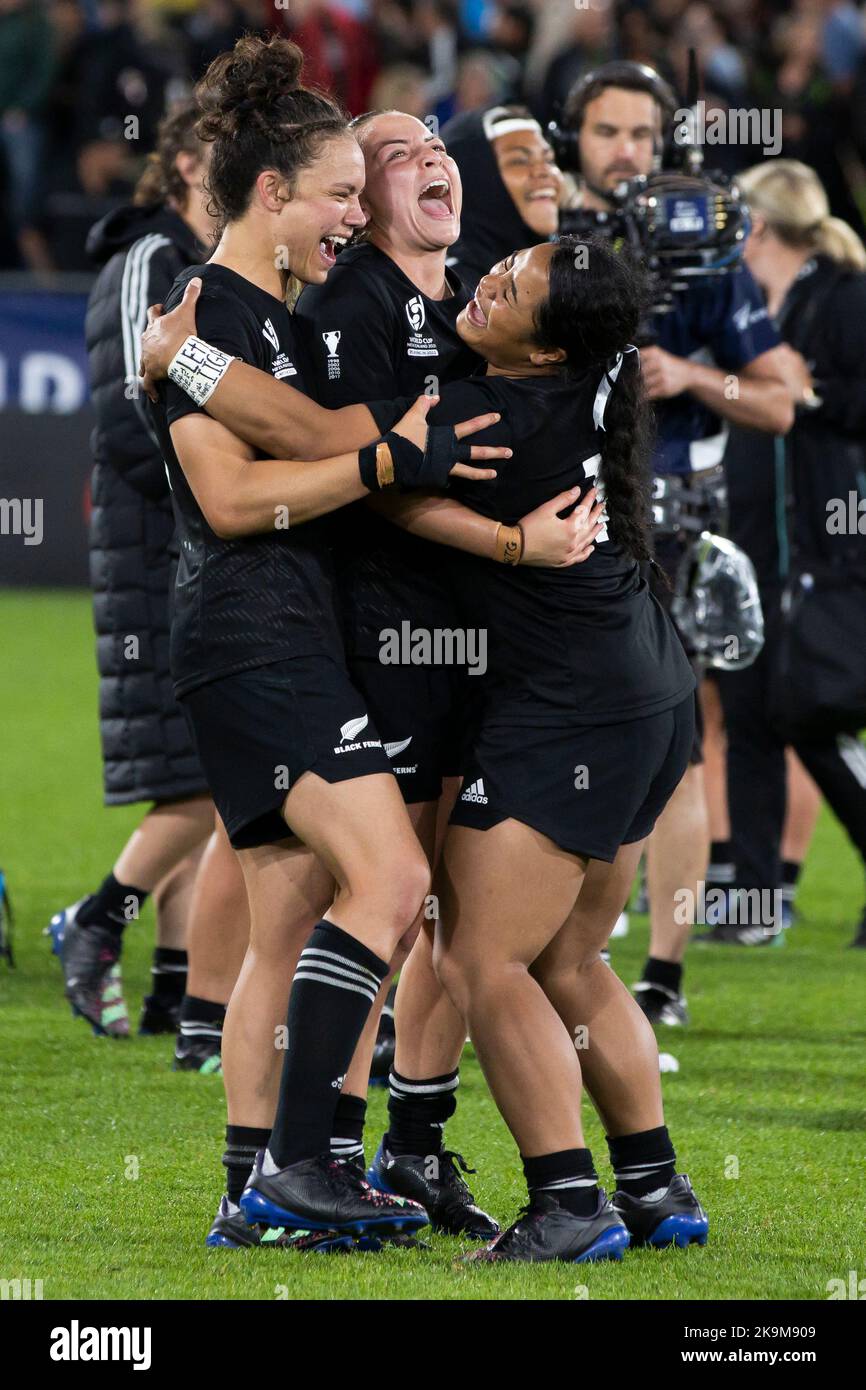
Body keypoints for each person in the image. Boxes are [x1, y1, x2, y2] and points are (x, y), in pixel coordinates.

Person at [140, 103, 604, 1242]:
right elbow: (237, 497)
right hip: (262, 635)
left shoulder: (259, 317)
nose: (351, 214)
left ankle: (264, 1190)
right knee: (390, 889)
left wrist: (196, 363)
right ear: (273, 195)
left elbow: (304, 430)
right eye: (346, 190)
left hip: (290, 631)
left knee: (297, 919)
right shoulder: (224, 304)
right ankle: (305, 1164)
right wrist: (402, 462)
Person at [415, 235, 708, 1262]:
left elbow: (359, 475)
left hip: (575, 707)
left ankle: (566, 1204)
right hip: (648, 691)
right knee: (571, 958)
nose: (483, 282)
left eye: (507, 290)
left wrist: (186, 363)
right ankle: (654, 1188)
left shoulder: (484, 415)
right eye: (500, 265)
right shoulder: (591, 372)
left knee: (480, 959)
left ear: (544, 353)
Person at [558, 61, 794, 1028]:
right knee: (553, 729)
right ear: (574, 137)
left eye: (644, 136)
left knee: (679, 747)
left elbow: (779, 401)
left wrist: (695, 375)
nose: (628, 153)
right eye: (609, 132)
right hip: (560, 506)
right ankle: (555, 948)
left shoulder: (707, 252)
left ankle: (660, 976)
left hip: (676, 510)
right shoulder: (544, 238)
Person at [53, 104, 218, 1041]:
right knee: (198, 779)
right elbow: (129, 415)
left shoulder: (208, 262)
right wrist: (232, 480)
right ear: (190, 162)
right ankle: (96, 920)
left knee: (198, 773)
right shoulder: (151, 260)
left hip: (192, 541)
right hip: (157, 547)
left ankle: (176, 990)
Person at [710, 159, 866, 950]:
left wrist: (812, 396)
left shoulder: (844, 294)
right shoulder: (737, 298)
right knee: (748, 715)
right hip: (751, 539)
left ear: (758, 224)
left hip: (831, 543)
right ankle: (752, 908)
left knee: (814, 712)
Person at [441, 104, 564, 291]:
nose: (545, 171)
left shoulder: (564, 271)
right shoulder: (455, 290)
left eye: (548, 159)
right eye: (519, 161)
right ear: (474, 180)